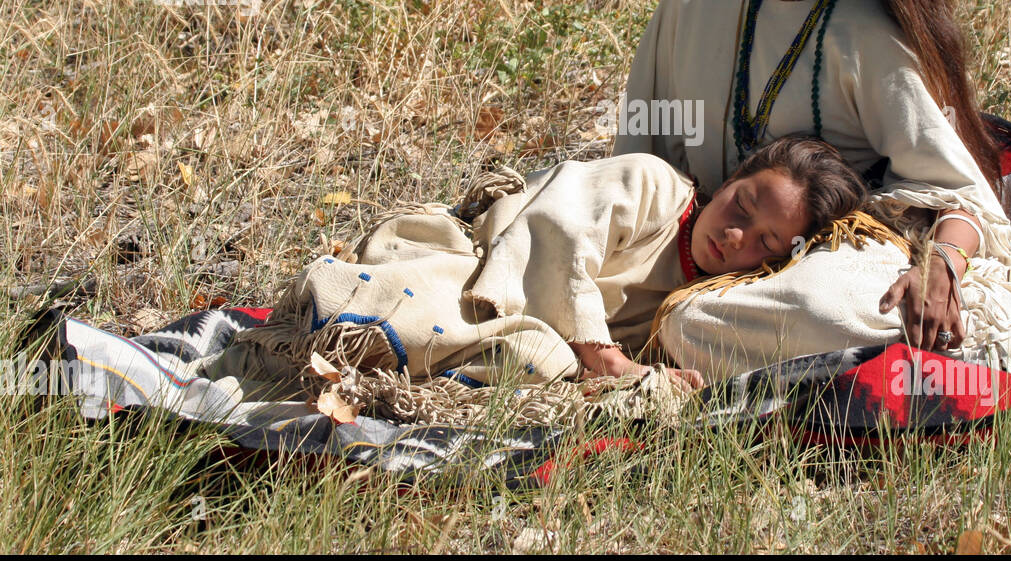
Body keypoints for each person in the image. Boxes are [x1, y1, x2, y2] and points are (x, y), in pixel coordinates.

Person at [613, 0, 1011, 355]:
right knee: (671, 308)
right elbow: (639, 148)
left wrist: (941, 263)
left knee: (774, 313)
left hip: (817, 268)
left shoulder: (862, 33)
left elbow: (966, 194)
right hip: (690, 249)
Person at [211, 137, 868, 395]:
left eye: (765, 241)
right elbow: (560, 229)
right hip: (471, 272)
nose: (736, 235)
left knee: (537, 363)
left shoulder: (706, 300)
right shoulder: (658, 189)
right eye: (744, 204)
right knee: (402, 318)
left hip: (531, 339)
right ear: (735, 176)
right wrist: (603, 354)